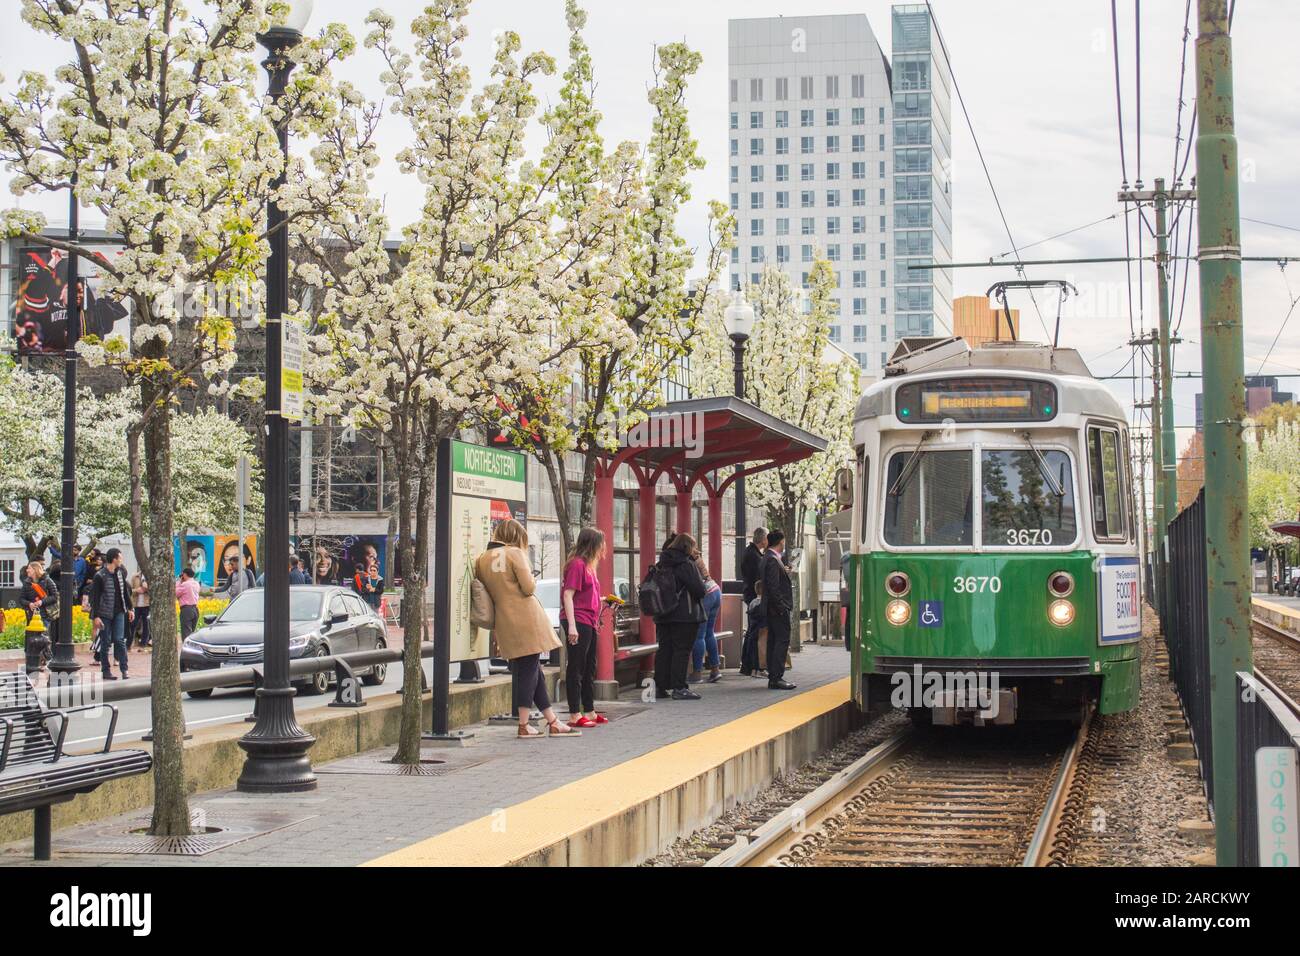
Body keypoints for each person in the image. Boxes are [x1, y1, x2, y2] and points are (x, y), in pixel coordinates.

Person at [475, 519, 581, 739]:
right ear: (515, 537)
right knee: (530, 670)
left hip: (504, 620)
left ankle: (552, 721)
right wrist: (531, 575)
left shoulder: (482, 560)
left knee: (533, 670)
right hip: (526, 616)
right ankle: (524, 724)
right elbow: (528, 587)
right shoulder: (515, 553)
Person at [650, 532, 709, 700]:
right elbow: (699, 590)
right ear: (687, 547)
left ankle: (660, 687)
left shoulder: (661, 563)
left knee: (664, 650)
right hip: (685, 616)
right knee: (681, 651)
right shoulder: (686, 564)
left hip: (663, 615)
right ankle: (679, 687)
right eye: (694, 546)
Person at [561, 528, 608, 728]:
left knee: (590, 666)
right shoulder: (577, 565)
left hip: (589, 620)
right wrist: (572, 626)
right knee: (577, 667)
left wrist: (606, 601)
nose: (603, 548)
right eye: (601, 543)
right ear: (593, 544)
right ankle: (574, 714)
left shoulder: (589, 566)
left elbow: (587, 596)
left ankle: (589, 710)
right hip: (578, 620)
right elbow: (568, 595)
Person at [759, 530, 796, 690]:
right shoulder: (773, 560)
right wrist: (782, 607)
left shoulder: (768, 557)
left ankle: (774, 676)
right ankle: (776, 677)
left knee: (774, 640)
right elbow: (773, 587)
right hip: (777, 609)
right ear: (781, 542)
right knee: (781, 640)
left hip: (771, 607)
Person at [90, 548, 133, 680]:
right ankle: (106, 670)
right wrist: (96, 616)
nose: (121, 560)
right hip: (104, 613)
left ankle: (124, 670)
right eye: (120, 557)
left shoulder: (120, 573)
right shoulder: (100, 576)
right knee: (105, 641)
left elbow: (124, 592)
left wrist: (130, 608)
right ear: (114, 559)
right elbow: (95, 598)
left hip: (119, 611)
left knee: (119, 640)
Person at [688, 548, 723, 684]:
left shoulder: (688, 561)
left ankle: (697, 672)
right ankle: (715, 670)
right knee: (709, 633)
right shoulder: (697, 558)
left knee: (699, 635)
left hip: (706, 594)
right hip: (715, 590)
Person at [739, 527, 768, 677]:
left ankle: (747, 665)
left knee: (751, 631)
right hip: (754, 595)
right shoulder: (755, 556)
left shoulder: (750, 552)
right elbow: (759, 577)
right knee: (755, 633)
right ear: (763, 539)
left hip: (749, 594)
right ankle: (753, 665)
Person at [21, 558, 59, 629]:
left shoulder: (48, 581)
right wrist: (29, 604)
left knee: (45, 636)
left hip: (45, 615)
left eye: (29, 568)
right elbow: (21, 598)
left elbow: (54, 597)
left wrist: (41, 602)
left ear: (35, 570)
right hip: (31, 615)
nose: (27, 570)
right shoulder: (26, 583)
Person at [351, 544, 384, 610]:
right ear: (355, 558)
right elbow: (360, 591)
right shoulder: (360, 577)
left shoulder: (377, 578)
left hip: (372, 605)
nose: (377, 562)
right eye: (372, 557)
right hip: (366, 605)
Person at [176, 567, 201, 640]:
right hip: (195, 609)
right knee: (191, 633)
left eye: (182, 574)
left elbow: (176, 593)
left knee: (186, 633)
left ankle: (186, 650)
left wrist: (178, 582)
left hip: (186, 610)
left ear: (185, 574)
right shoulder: (196, 583)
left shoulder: (185, 584)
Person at [130, 570, 151, 650]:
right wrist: (137, 590)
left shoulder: (150, 576)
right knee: (133, 623)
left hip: (147, 605)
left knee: (146, 625)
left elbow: (155, 591)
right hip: (136, 604)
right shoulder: (135, 576)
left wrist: (147, 588)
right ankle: (129, 643)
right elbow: (129, 590)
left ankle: (143, 644)